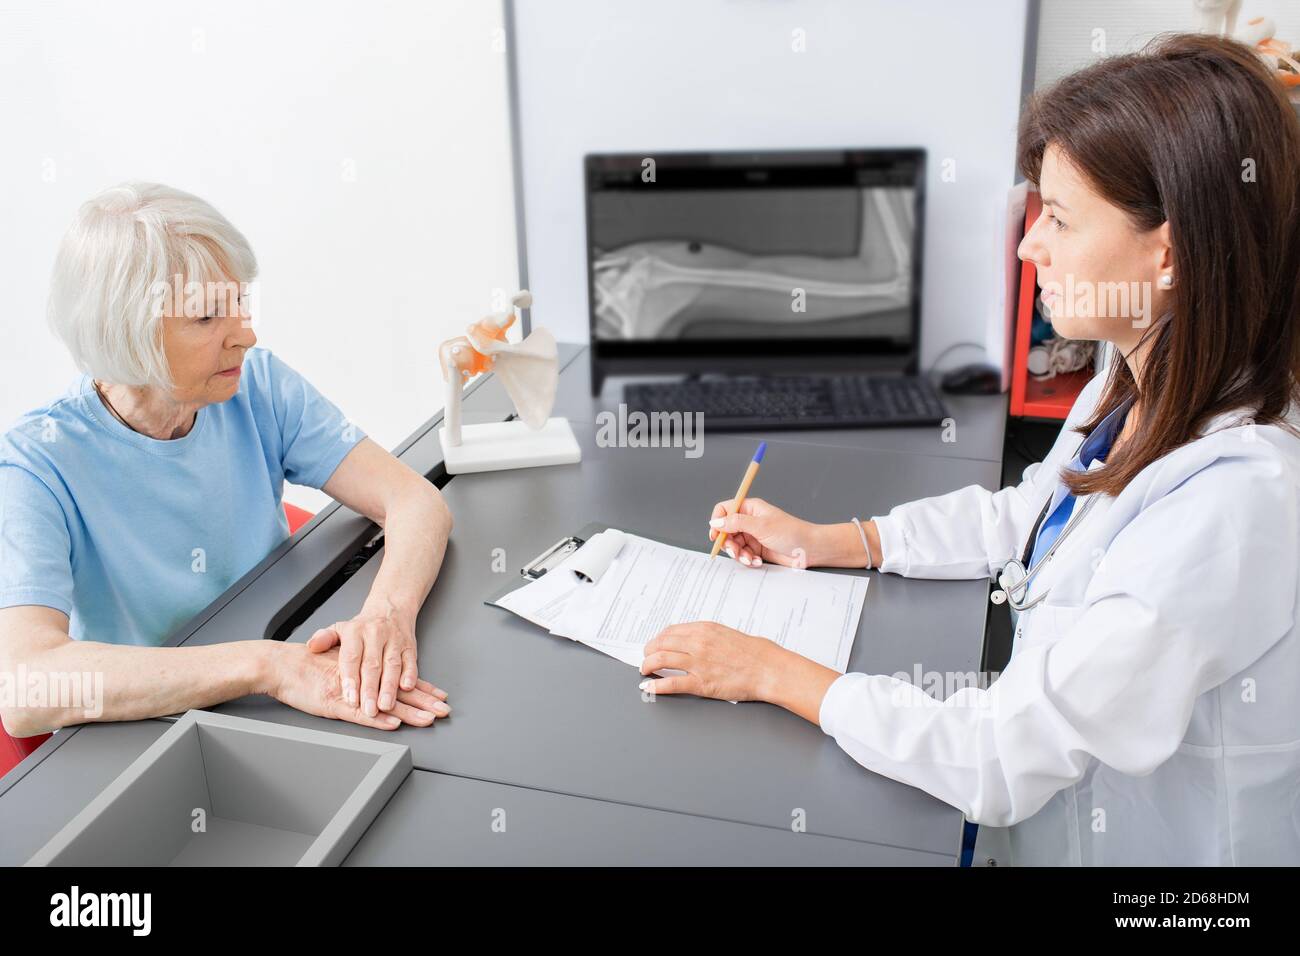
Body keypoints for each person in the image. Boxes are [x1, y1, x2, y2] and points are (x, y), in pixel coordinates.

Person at [639, 34, 1300, 865]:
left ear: (1167, 253)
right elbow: (1034, 514)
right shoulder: (1131, 379)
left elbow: (1000, 756)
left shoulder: (1231, 505)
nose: (1030, 248)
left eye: (1059, 218)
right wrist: (834, 542)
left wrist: (772, 672)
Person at [0, 183, 453, 738]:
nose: (246, 334)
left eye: (239, 303)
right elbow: (26, 688)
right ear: (127, 331)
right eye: (208, 317)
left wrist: (387, 615)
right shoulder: (34, 463)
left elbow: (413, 499)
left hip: (289, 662)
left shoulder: (257, 383)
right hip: (157, 726)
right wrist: (266, 666)